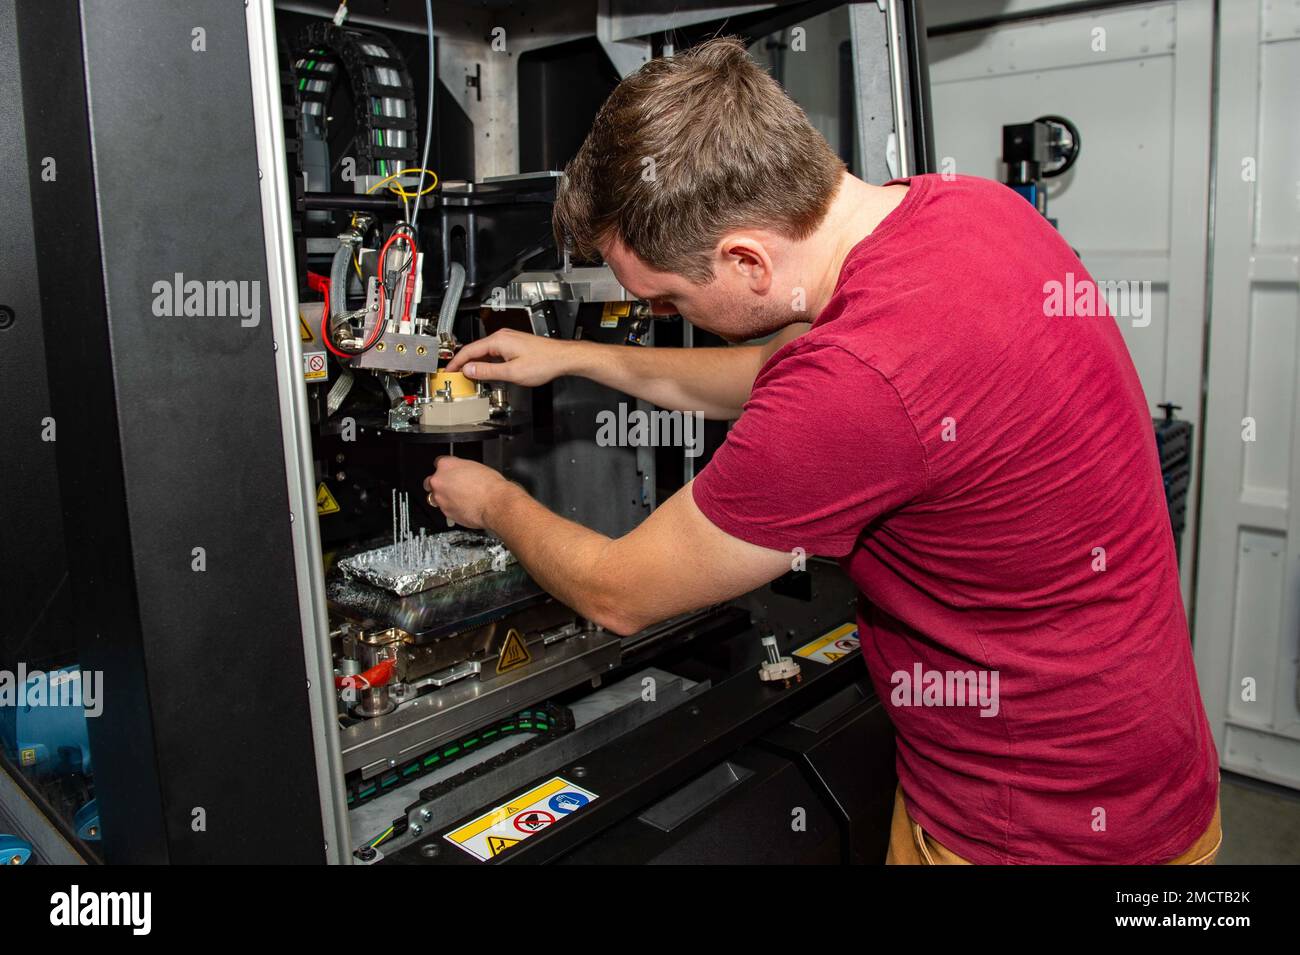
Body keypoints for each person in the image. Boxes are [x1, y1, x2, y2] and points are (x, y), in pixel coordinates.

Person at [423, 37, 1220, 865]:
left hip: (1032, 831)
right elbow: (779, 372)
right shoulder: (963, 210)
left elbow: (618, 592)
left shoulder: (858, 379)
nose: (669, 314)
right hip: (1145, 771)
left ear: (746, 261)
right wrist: (576, 358)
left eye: (667, 299)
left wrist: (490, 501)